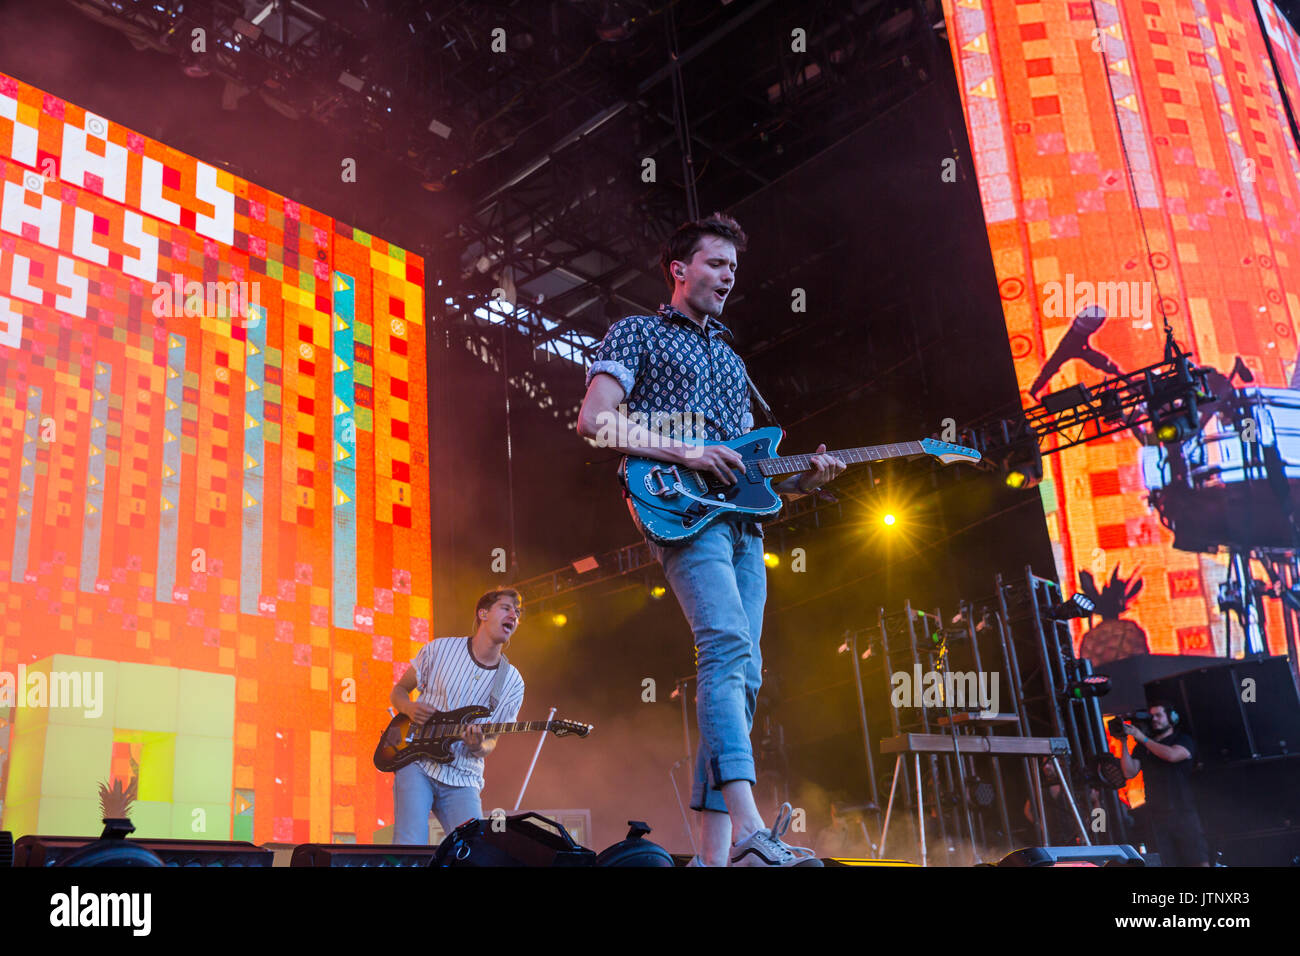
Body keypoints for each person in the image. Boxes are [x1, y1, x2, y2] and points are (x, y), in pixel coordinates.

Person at [576, 212, 845, 866]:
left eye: (733, 269)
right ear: (680, 269)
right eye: (716, 264)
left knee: (744, 669)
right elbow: (594, 421)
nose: (729, 277)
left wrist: (807, 480)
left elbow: (748, 473)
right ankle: (754, 828)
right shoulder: (636, 332)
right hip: (676, 509)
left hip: (741, 526)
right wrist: (686, 452)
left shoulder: (730, 359)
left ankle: (716, 859)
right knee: (725, 646)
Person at [389, 588, 525, 844]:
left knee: (475, 853)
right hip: (417, 762)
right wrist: (408, 708)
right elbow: (398, 691)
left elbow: (491, 742)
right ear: (482, 613)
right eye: (506, 608)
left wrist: (478, 746)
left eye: (517, 613)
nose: (513, 616)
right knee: (410, 846)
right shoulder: (440, 650)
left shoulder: (513, 682)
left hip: (464, 776)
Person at [1118, 700, 1209, 866]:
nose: (1154, 719)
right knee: (1164, 862)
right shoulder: (1142, 747)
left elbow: (1172, 755)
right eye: (1151, 716)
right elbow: (1129, 772)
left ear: (1171, 718)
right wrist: (1124, 742)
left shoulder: (1182, 739)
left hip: (1183, 811)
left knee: (1197, 859)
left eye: (1159, 715)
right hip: (1157, 815)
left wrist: (1142, 738)